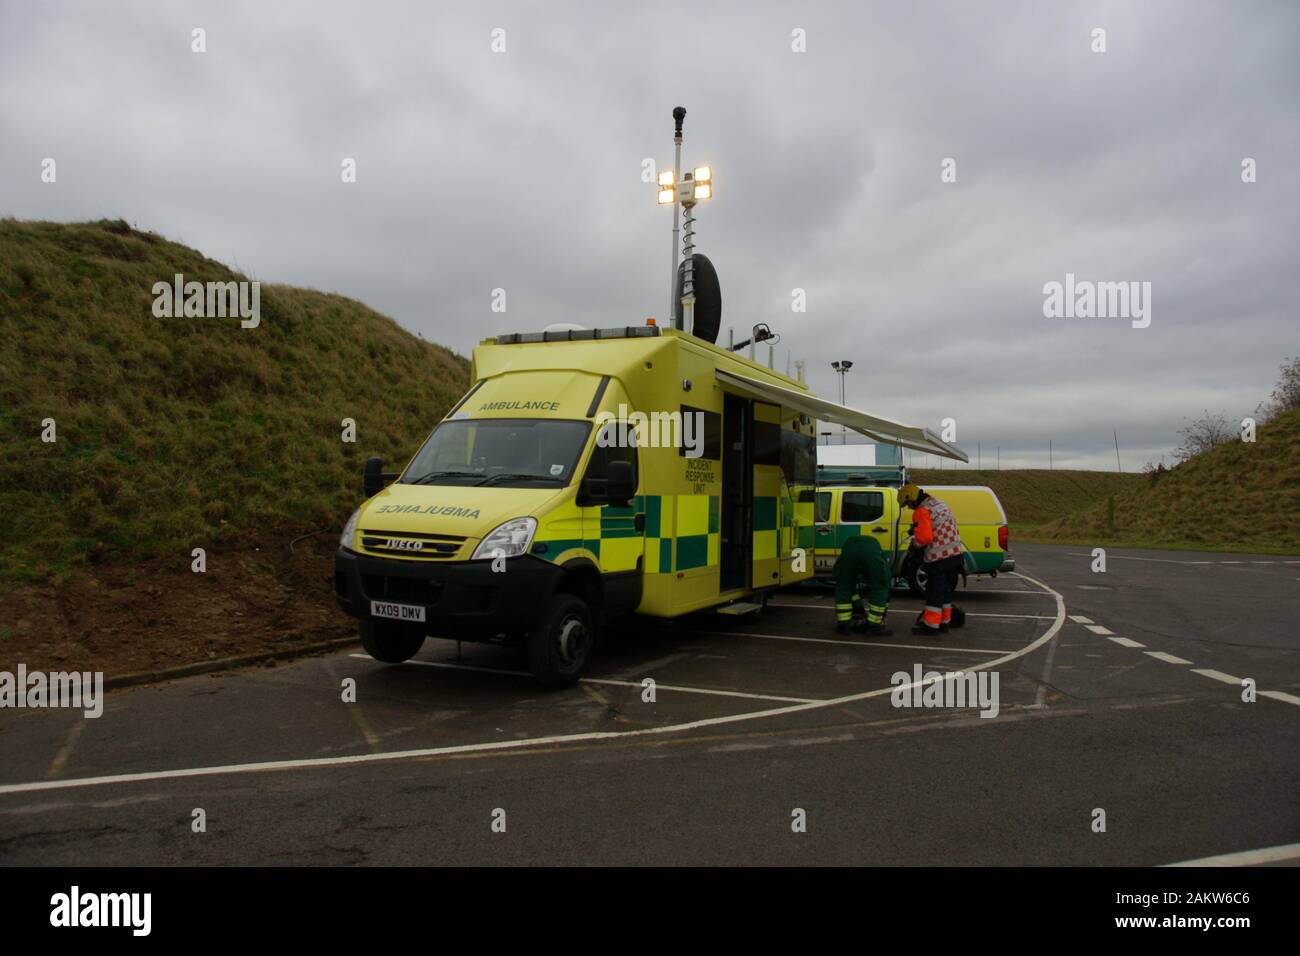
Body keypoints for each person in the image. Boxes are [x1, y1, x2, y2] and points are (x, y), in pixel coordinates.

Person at [897, 484, 964, 637]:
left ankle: (931, 627)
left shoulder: (922, 510)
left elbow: (925, 538)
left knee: (934, 591)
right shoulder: (940, 504)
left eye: (908, 505)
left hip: (939, 557)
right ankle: (944, 622)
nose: (909, 508)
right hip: (955, 554)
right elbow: (938, 526)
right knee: (945, 591)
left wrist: (914, 543)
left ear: (912, 499)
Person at [831, 534, 893, 636]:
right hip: (869, 550)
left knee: (844, 585)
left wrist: (858, 608)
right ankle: (874, 627)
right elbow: (884, 587)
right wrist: (882, 615)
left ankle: (843, 625)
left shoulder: (853, 547)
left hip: (850, 546)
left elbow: (839, 577)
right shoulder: (879, 558)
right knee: (881, 587)